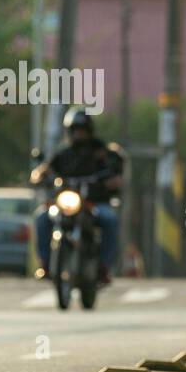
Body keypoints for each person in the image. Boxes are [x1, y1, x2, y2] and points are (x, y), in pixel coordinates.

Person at [30, 107, 123, 285]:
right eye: (75, 130)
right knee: (41, 217)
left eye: (82, 130)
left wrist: (112, 181)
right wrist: (38, 176)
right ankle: (45, 264)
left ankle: (104, 268)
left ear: (89, 131)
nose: (78, 134)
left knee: (110, 219)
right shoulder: (63, 154)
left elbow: (117, 173)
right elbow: (45, 169)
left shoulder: (102, 152)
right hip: (65, 203)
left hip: (94, 203)